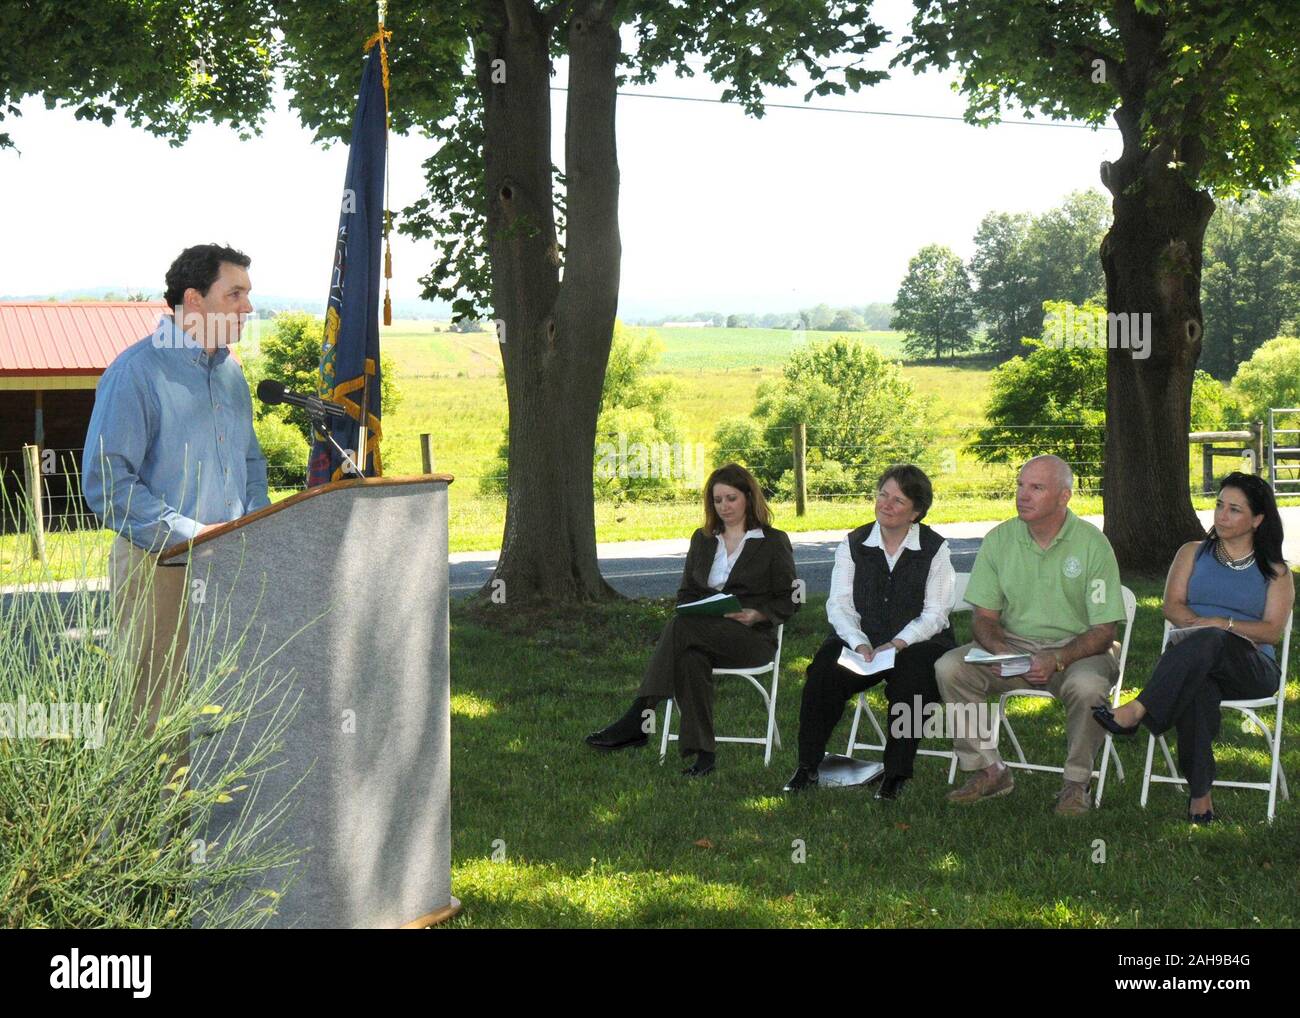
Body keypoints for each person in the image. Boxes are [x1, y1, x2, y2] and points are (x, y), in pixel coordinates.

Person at [82, 243, 269, 743]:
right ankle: (148, 822)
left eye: (247, 295)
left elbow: (250, 462)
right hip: (157, 567)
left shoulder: (231, 375)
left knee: (221, 710)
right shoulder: (136, 372)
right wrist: (195, 537)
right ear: (195, 300)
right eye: (235, 294)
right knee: (153, 719)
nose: (247, 307)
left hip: (228, 563)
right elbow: (107, 483)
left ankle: (209, 820)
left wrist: (259, 523)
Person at [1093, 472, 1293, 823]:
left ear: (1257, 520)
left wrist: (1223, 626)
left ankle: (1138, 709)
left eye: (1234, 509)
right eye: (1219, 505)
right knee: (1198, 686)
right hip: (1194, 660)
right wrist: (1201, 633)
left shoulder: (1276, 572)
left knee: (1214, 638)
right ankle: (1201, 796)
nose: (1221, 515)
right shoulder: (1191, 553)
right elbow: (1172, 606)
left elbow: (1271, 632)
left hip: (1252, 668)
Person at [935, 454, 1124, 816]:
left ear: (1064, 497)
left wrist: (1057, 659)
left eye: (1036, 488)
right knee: (950, 667)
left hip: (1079, 650)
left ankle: (1076, 783)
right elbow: (984, 618)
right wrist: (1004, 652)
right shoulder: (999, 540)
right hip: (1014, 646)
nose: (1023, 495)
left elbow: (1103, 631)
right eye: (1021, 485)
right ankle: (989, 771)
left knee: (1088, 688)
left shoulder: (1092, 544)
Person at [585, 463, 800, 776]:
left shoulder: (772, 541)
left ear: (748, 498)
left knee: (681, 628)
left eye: (731, 498)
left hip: (749, 638)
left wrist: (758, 614)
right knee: (689, 659)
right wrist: (702, 607)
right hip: (702, 632)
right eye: (717, 500)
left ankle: (639, 716)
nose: (724, 506)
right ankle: (704, 756)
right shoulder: (702, 540)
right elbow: (686, 594)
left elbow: (791, 598)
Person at [782, 464, 956, 800]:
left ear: (916, 512)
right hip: (862, 640)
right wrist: (860, 642)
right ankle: (808, 765)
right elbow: (840, 605)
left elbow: (936, 613)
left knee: (912, 684)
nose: (886, 504)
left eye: (898, 500)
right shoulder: (853, 543)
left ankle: (896, 773)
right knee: (823, 673)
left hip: (918, 642)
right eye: (883, 495)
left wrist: (897, 643)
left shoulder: (936, 548)